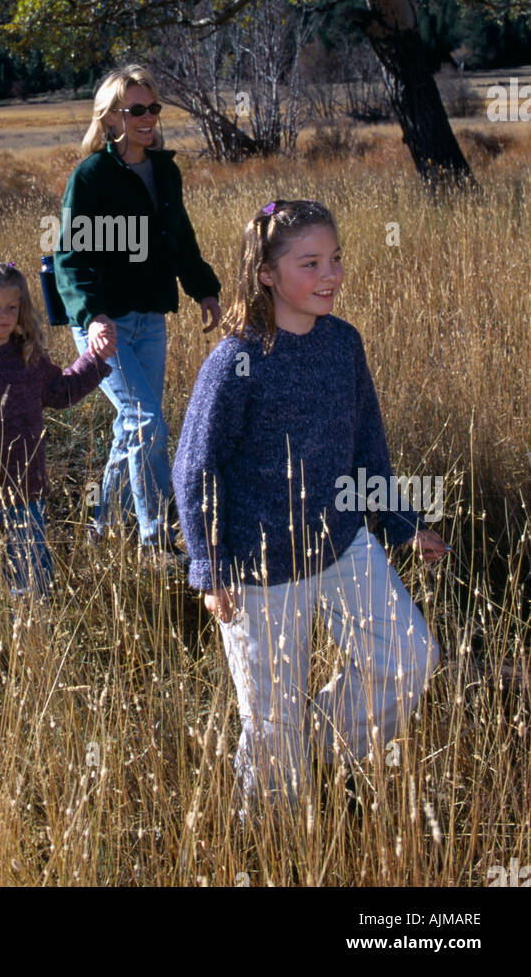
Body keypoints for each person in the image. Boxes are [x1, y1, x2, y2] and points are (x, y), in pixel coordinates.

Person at [172, 198, 448, 817]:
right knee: (270, 723)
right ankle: (272, 836)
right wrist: (210, 568)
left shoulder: (343, 344)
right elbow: (194, 469)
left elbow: (366, 441)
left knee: (409, 655)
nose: (332, 276)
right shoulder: (235, 362)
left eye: (337, 259)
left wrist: (403, 524)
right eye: (311, 263)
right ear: (266, 273)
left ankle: (321, 740)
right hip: (257, 566)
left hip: (343, 541)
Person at [54, 63, 221, 554]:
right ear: (111, 118)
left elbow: (180, 240)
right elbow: (70, 256)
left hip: (150, 318)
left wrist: (204, 288)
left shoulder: (165, 171)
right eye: (136, 110)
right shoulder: (91, 176)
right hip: (104, 326)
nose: (148, 118)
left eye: (153, 108)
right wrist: (93, 316)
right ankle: (157, 541)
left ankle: (102, 530)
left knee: (133, 427)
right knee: (148, 422)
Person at [0, 262, 114, 598]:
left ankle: (31, 626)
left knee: (32, 569)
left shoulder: (28, 357)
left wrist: (94, 360)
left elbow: (61, 391)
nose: (4, 316)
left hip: (27, 488)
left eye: (12, 308)